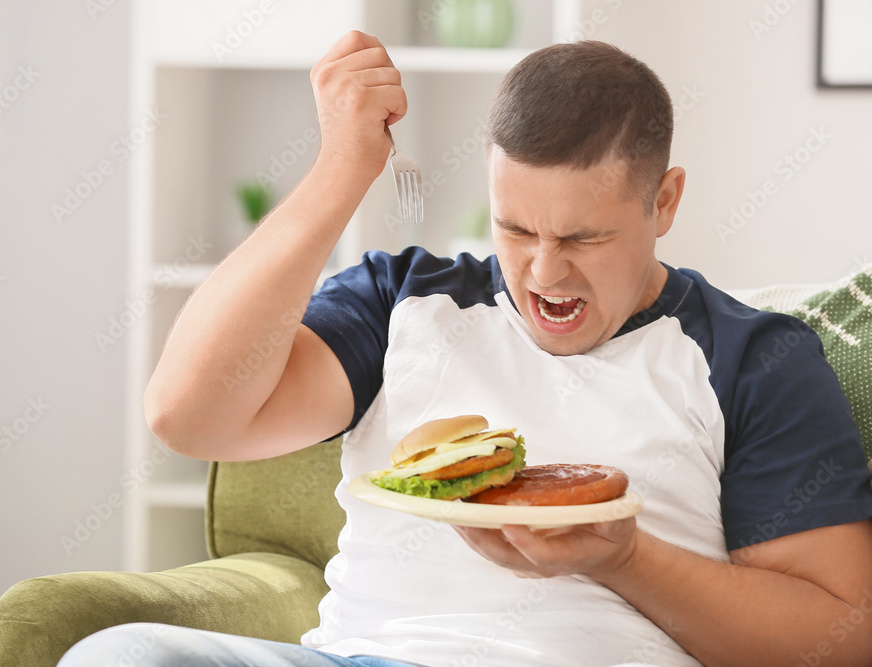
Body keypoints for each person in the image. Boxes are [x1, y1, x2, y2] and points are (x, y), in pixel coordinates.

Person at [60, 31, 872, 667]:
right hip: (360, 655)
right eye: (515, 229)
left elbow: (838, 636)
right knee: (119, 654)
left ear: (664, 201)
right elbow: (187, 414)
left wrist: (622, 559)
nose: (544, 272)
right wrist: (342, 167)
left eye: (582, 237)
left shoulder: (751, 356)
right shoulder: (405, 299)